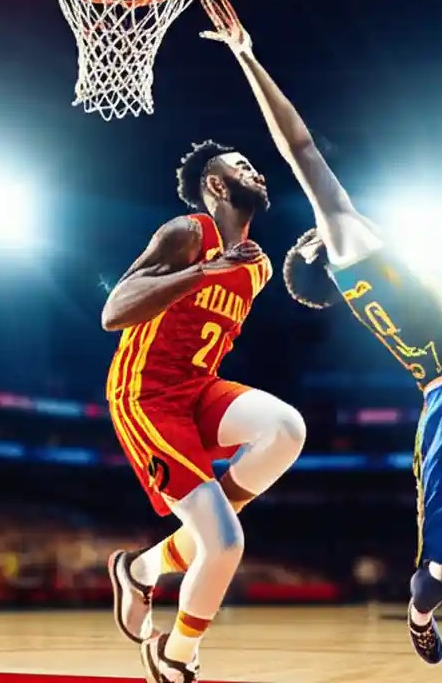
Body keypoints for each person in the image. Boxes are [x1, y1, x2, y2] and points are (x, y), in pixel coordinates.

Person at [202, 0, 442, 682]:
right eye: (316, 231)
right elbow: (300, 148)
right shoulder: (350, 247)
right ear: (321, 251)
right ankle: (419, 607)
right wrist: (247, 56)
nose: (327, 219)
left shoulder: (395, 275)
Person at [101, 140, 307, 683]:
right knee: (225, 543)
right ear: (216, 185)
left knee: (286, 428)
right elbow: (113, 310)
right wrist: (204, 269)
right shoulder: (189, 233)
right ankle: (177, 656)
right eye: (240, 166)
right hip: (146, 395)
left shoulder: (258, 265)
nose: (254, 170)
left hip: (199, 388)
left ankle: (142, 567)